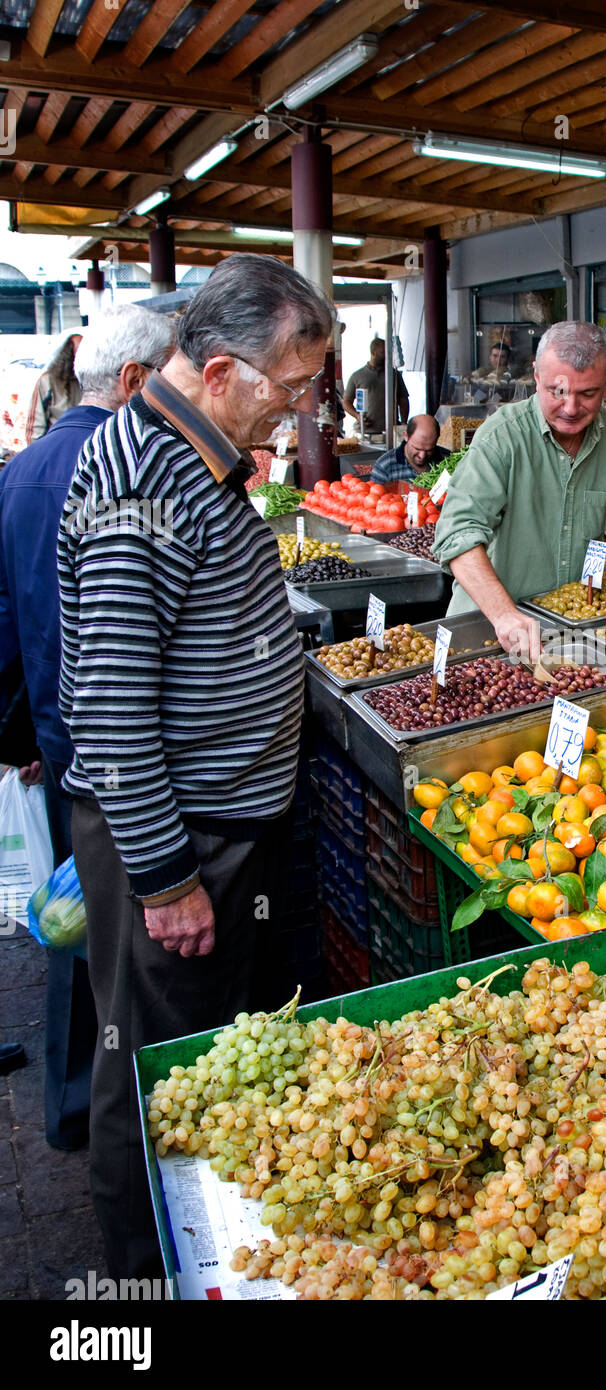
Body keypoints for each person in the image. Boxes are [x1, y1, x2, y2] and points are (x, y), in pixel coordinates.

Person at [57, 253, 334, 1278]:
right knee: (153, 1066)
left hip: (224, 827)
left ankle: (201, 1248)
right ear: (218, 371)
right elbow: (115, 707)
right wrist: (170, 880)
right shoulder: (144, 480)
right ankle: (141, 1277)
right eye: (291, 387)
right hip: (181, 847)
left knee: (191, 1048)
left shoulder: (193, 454)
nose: (299, 409)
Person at [0, 303, 175, 1152]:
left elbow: (7, 609)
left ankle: (70, 1100)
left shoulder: (24, 467)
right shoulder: (124, 470)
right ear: (138, 381)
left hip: (59, 730)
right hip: (117, 747)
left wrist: (21, 731)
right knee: (119, 945)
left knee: (82, 924)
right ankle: (117, 1123)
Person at [432, 321, 606, 658]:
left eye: (588, 394)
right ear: (536, 378)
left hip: (567, 629)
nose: (571, 408)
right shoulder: (502, 436)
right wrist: (504, 614)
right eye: (557, 392)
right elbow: (457, 532)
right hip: (487, 629)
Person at [342, 336, 408, 435]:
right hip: (366, 432)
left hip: (391, 431)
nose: (386, 356)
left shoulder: (394, 375)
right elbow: (346, 402)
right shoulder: (358, 376)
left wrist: (403, 423)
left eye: (388, 352)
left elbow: (403, 400)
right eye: (383, 352)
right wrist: (357, 415)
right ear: (373, 353)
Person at [26, 332, 82, 443]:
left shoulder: (94, 380)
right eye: (78, 351)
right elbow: (36, 426)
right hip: (57, 444)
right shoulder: (48, 380)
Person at [369, 413, 449, 485]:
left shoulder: (448, 460)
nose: (422, 456)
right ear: (406, 436)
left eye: (429, 450)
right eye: (417, 448)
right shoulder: (385, 466)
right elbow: (374, 497)